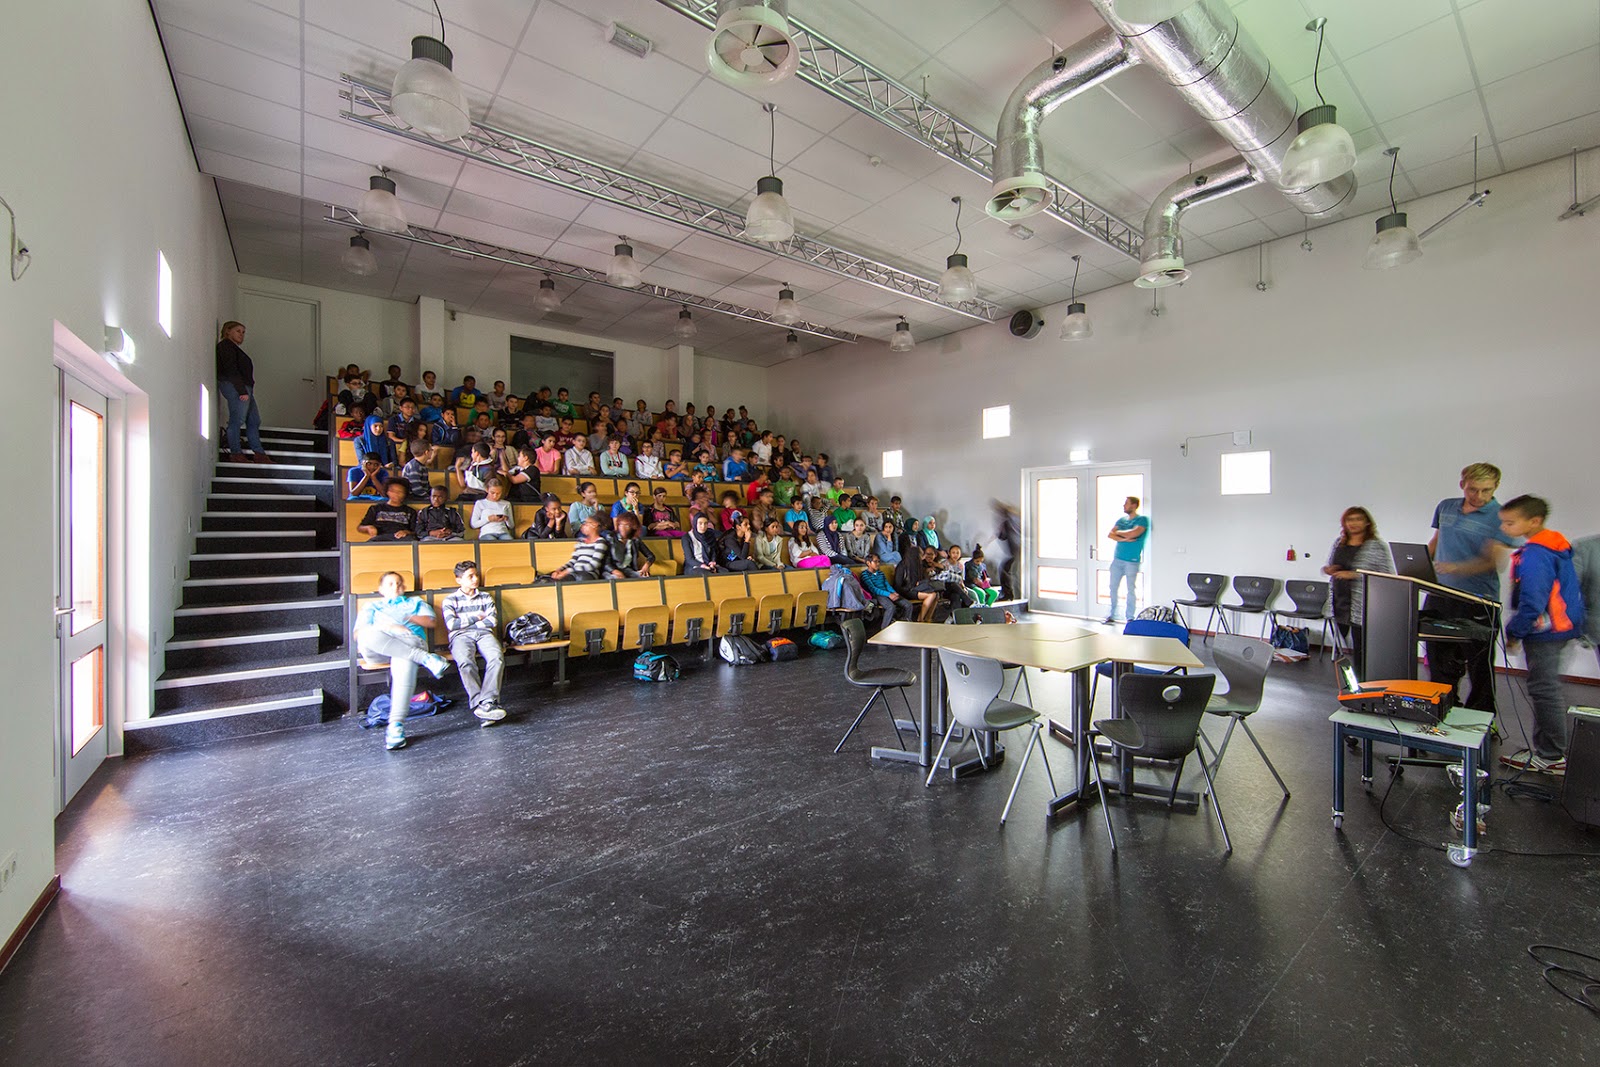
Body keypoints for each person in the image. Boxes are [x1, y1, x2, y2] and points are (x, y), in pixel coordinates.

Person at [1498, 495, 1585, 774]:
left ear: (1534, 521)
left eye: (1510, 523)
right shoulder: (1553, 546)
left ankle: (1551, 756)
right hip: (1560, 628)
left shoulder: (1536, 553)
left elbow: (1533, 600)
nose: (1505, 528)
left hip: (1546, 631)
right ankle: (1547, 751)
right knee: (1545, 689)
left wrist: (1515, 632)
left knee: (1544, 691)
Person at [1427, 462, 1516, 712]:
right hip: (1441, 595)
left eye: (1486, 490)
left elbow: (1494, 561)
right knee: (1439, 659)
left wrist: (1458, 568)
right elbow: (1436, 541)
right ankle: (1444, 707)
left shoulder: (1501, 517)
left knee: (1479, 664)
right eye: (1473, 489)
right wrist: (1421, 564)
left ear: (1496, 487)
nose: (1479, 496)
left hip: (1478, 599)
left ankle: (1483, 718)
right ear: (1462, 484)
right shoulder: (1446, 506)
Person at [353, 571, 452, 750]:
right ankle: (426, 659)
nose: (396, 586)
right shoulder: (371, 607)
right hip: (379, 648)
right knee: (367, 635)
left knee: (404, 660)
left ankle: (395, 726)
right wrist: (389, 627)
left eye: (399, 583)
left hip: (408, 643)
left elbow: (431, 622)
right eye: (390, 584)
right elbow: (359, 634)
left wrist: (407, 619)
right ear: (380, 589)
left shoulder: (414, 602)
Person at [1321, 506, 1392, 667]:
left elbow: (1387, 575)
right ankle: (1354, 684)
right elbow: (1331, 565)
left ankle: (1365, 684)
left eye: (1358, 519)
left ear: (1367, 523)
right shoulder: (1339, 543)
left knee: (1362, 648)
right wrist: (1328, 569)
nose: (1353, 523)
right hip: (1340, 600)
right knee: (1346, 646)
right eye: (1349, 520)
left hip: (1364, 604)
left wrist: (1355, 575)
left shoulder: (1376, 546)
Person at [441, 562, 507, 725]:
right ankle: (481, 703)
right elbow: (452, 625)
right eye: (470, 576)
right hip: (460, 636)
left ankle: (487, 702)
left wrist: (465, 621)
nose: (475, 579)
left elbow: (491, 621)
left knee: (496, 658)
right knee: (465, 662)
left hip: (484, 634)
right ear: (458, 580)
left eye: (476, 575)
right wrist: (477, 618)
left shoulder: (485, 597)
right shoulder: (450, 600)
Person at [215, 321, 272, 464]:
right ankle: (236, 453)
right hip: (237, 387)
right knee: (238, 420)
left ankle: (259, 454)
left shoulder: (235, 349)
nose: (241, 334)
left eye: (243, 332)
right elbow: (231, 369)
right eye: (238, 331)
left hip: (245, 388)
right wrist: (241, 390)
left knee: (254, 420)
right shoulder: (225, 347)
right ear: (228, 331)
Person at [1104, 496, 1149, 625]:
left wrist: (1120, 534)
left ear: (1134, 505)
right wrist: (1124, 538)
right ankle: (1111, 615)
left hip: (1132, 560)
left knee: (1130, 589)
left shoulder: (1142, 520)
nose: (1124, 506)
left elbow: (1134, 534)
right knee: (1113, 587)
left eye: (1126, 504)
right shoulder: (1121, 520)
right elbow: (1110, 534)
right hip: (1117, 559)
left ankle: (1130, 617)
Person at [549, 518, 619, 581]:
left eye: (586, 524)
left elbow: (593, 565)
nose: (582, 526)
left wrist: (568, 571)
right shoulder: (581, 541)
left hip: (588, 573)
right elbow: (573, 560)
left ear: (594, 525)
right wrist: (560, 570)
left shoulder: (600, 542)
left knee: (575, 579)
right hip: (574, 572)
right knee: (555, 579)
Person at [860, 554, 915, 627]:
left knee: (908, 605)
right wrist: (889, 594)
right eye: (875, 562)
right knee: (890, 607)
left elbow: (887, 585)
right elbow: (873, 589)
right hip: (878, 595)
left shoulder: (880, 573)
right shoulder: (865, 574)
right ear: (868, 563)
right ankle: (884, 628)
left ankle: (905, 624)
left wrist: (893, 592)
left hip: (888, 593)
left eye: (879, 561)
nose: (878, 564)